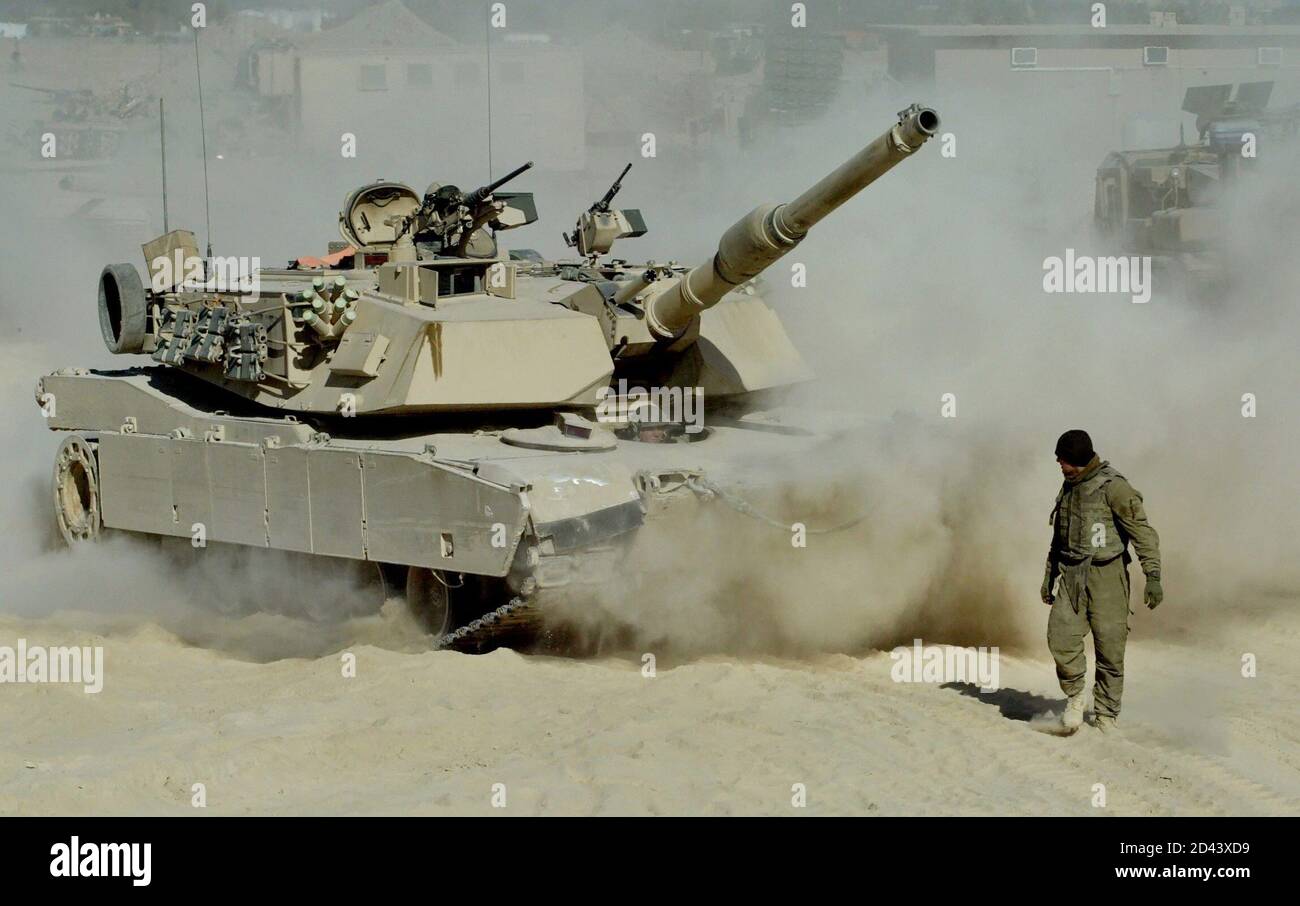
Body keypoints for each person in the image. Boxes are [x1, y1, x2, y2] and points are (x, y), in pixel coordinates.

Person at [1041, 430, 1162, 733]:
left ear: (1078, 459)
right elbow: (1060, 536)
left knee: (1110, 649)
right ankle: (1075, 697)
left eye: (1063, 458)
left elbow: (1142, 533)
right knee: (1061, 639)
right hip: (1072, 575)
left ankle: (1107, 714)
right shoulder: (1069, 486)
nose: (1058, 462)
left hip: (1107, 575)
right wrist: (1050, 575)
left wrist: (1153, 575)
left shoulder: (1114, 488)